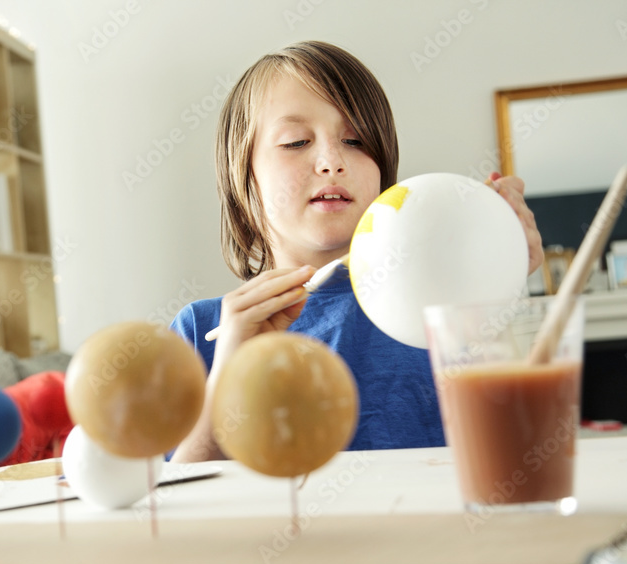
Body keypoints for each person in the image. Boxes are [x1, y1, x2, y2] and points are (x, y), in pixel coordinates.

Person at [169, 41, 542, 463]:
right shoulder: (199, 333)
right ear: (243, 178)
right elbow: (169, 514)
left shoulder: (444, 312)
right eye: (295, 142)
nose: (331, 161)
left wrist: (501, 282)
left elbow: (518, 457)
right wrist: (227, 384)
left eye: (355, 139)